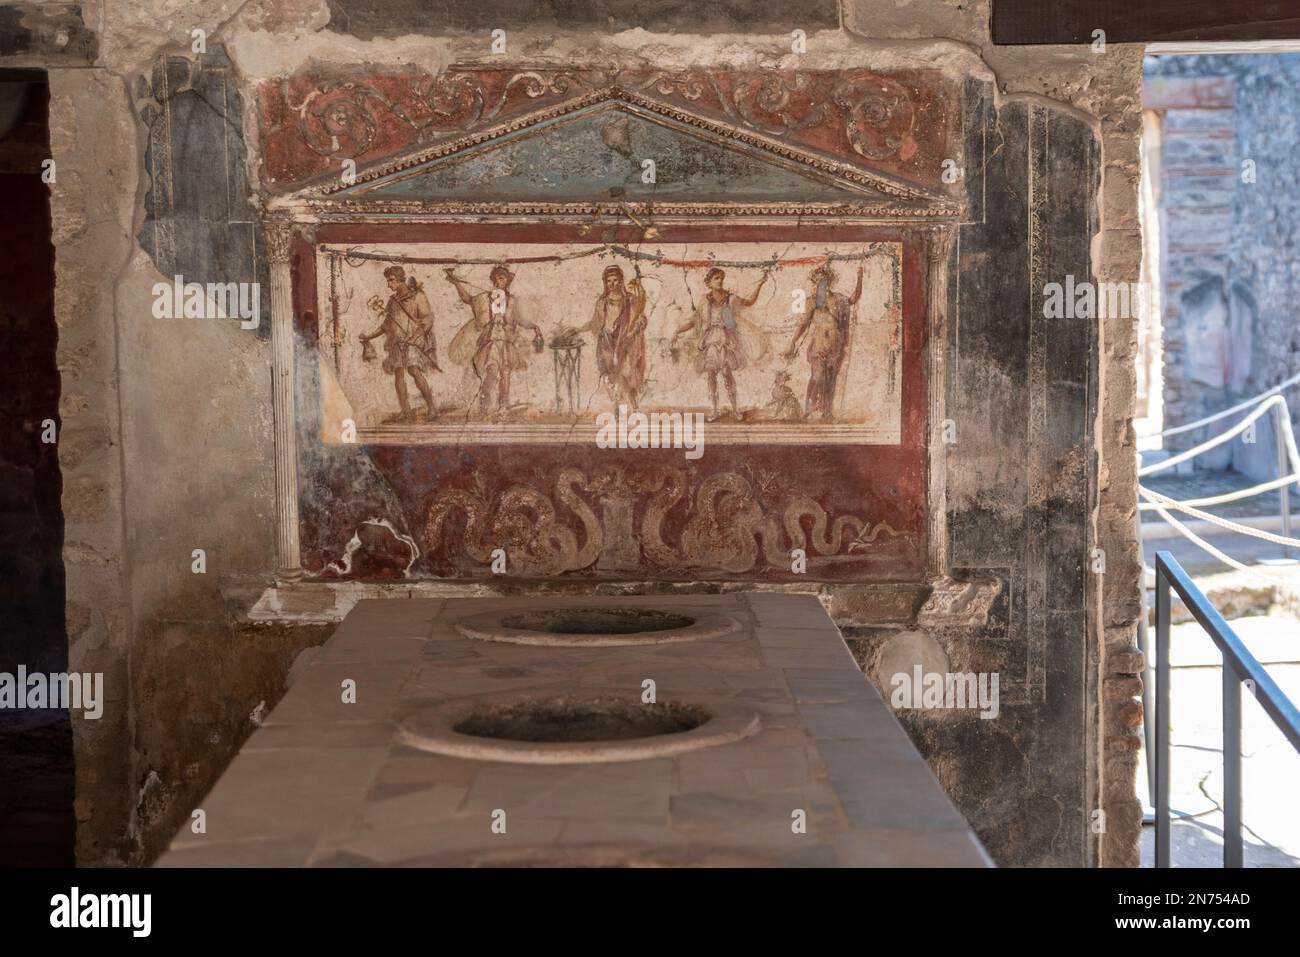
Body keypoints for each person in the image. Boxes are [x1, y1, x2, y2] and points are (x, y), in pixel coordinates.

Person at [444, 265, 544, 418]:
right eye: (495, 279)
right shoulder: (485, 297)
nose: (498, 282)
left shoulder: (512, 301)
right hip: (490, 342)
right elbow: (468, 299)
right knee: (491, 373)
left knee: (505, 374)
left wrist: (534, 327)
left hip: (505, 343)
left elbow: (520, 320)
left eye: (501, 278)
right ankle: (485, 407)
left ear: (507, 281)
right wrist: (456, 282)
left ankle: (503, 407)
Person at [671, 266, 769, 421]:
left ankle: (735, 409)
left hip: (725, 339)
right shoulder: (704, 300)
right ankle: (715, 410)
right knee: (711, 375)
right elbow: (694, 320)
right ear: (709, 282)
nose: (720, 281)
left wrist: (760, 284)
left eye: (721, 278)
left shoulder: (730, 298)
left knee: (726, 372)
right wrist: (678, 331)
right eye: (716, 278)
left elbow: (749, 302)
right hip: (710, 340)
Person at [783, 263, 863, 421]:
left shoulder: (839, 299)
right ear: (814, 282)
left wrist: (859, 278)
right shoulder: (812, 301)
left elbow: (853, 298)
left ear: (829, 281)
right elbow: (804, 323)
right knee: (817, 376)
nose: (821, 283)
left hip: (835, 344)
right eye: (818, 280)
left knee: (831, 378)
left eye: (824, 280)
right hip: (818, 344)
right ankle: (809, 408)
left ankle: (827, 410)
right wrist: (793, 341)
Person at [358, 265, 439, 422]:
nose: (389, 284)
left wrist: (413, 337)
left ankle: (431, 408)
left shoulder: (418, 296)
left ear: (401, 279)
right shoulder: (392, 301)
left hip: (412, 342)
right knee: (399, 374)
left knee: (414, 371)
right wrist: (369, 336)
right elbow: (386, 325)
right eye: (388, 281)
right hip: (396, 343)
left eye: (391, 280)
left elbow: (427, 319)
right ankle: (405, 411)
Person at [573, 264, 648, 409]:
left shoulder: (630, 299)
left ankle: (634, 406)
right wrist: (578, 330)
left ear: (621, 281)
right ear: (605, 283)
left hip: (626, 343)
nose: (612, 284)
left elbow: (641, 319)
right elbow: (595, 322)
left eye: (615, 280)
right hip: (607, 343)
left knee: (627, 374)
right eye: (609, 281)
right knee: (612, 377)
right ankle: (617, 408)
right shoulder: (602, 302)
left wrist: (631, 332)